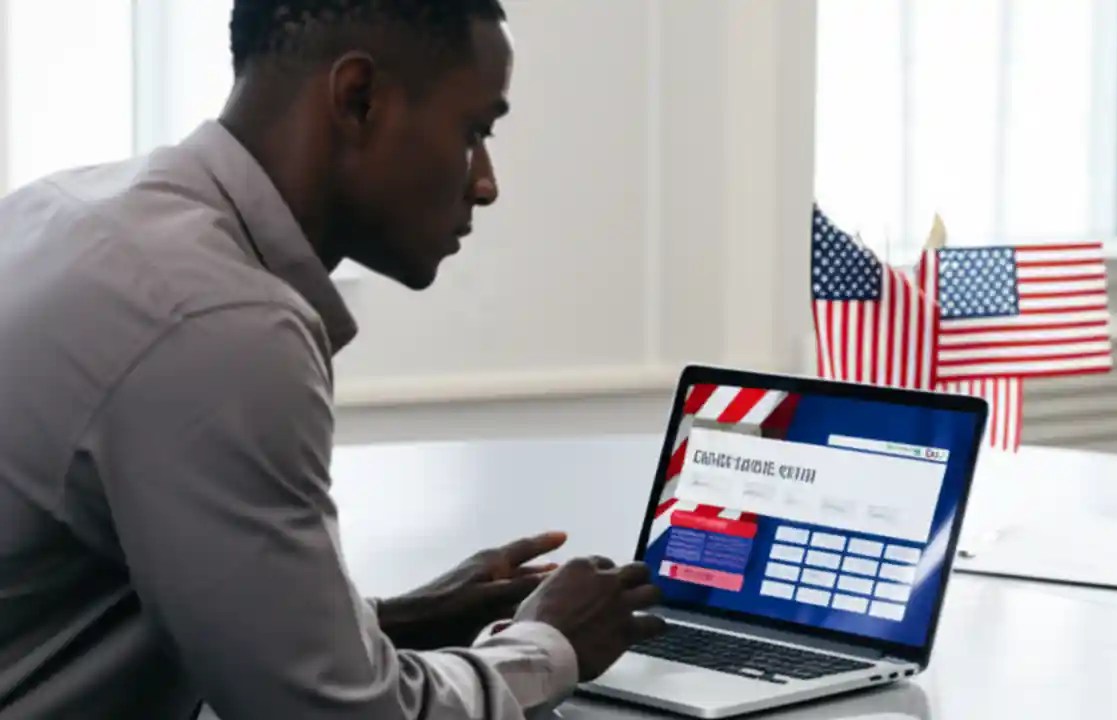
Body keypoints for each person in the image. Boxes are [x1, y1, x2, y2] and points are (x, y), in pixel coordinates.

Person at [0, 1, 664, 717]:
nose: (486, 181)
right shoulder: (222, 325)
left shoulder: (66, 210)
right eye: (473, 131)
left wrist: (391, 619)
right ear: (359, 99)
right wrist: (548, 645)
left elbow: (201, 610)